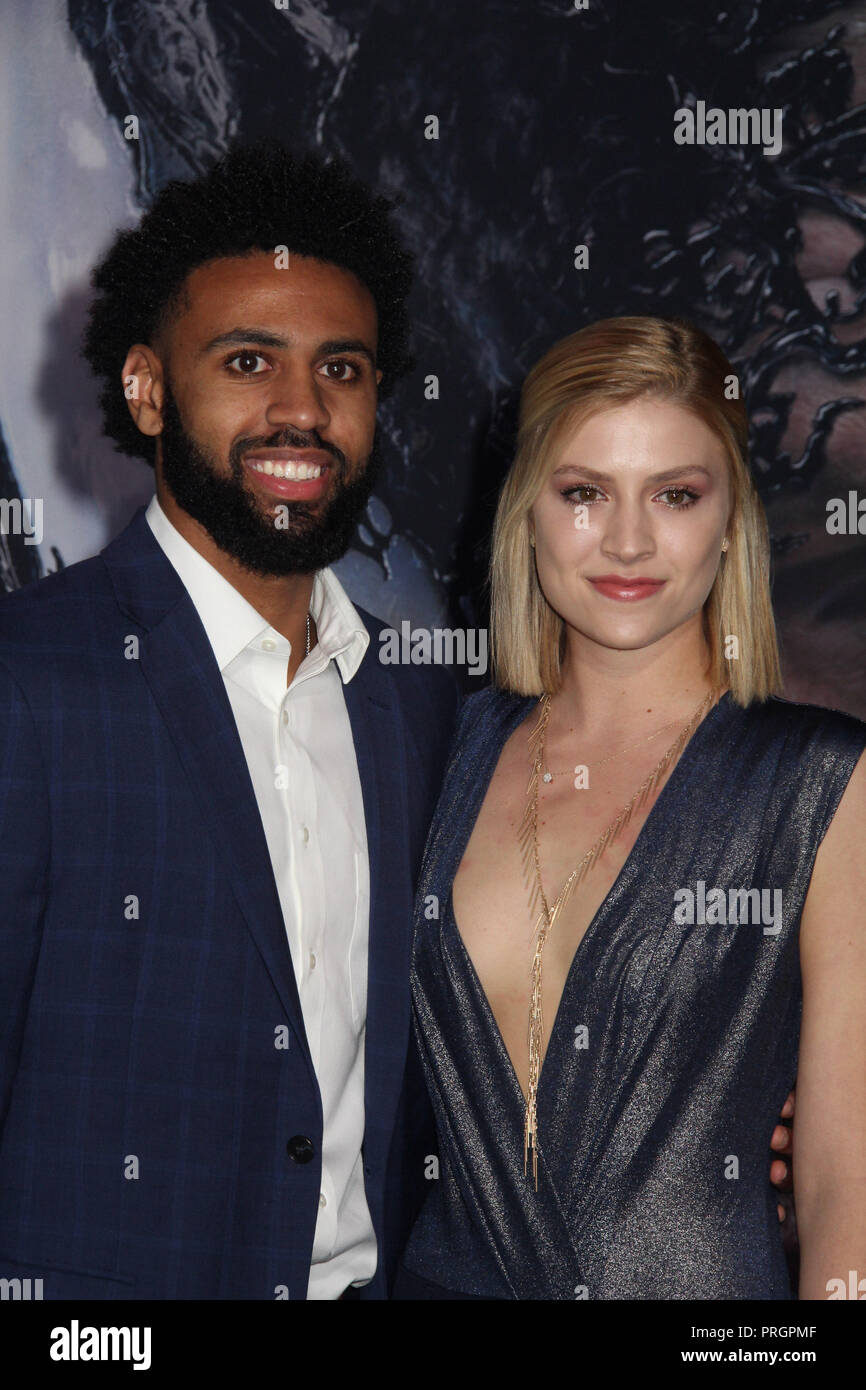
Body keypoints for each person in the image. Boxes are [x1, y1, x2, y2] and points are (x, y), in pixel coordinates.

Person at [0, 141, 457, 1300]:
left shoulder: (414, 710)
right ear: (148, 388)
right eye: (249, 361)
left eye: (341, 370)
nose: (300, 411)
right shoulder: (28, 677)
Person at [395, 315, 866, 1300]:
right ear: (524, 507)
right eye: (582, 493)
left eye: (675, 494)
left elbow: (840, 1183)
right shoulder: (431, 751)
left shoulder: (822, 782)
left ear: (731, 514)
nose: (625, 540)